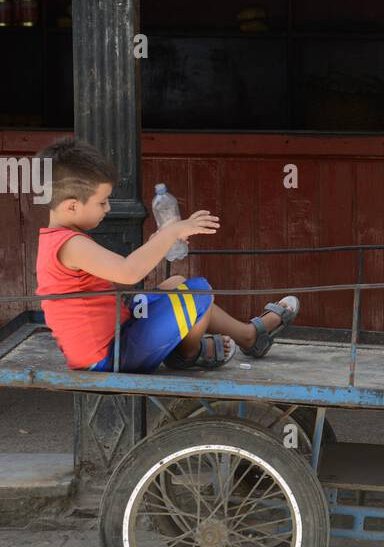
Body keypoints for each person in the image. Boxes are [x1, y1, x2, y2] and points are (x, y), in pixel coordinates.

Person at [34, 138, 298, 372]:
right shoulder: (71, 244)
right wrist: (172, 232)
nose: (108, 207)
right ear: (71, 206)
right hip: (109, 354)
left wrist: (160, 241)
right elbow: (129, 272)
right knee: (199, 292)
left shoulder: (60, 239)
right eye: (102, 202)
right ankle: (187, 353)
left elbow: (123, 268)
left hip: (118, 330)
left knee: (176, 284)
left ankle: (247, 336)